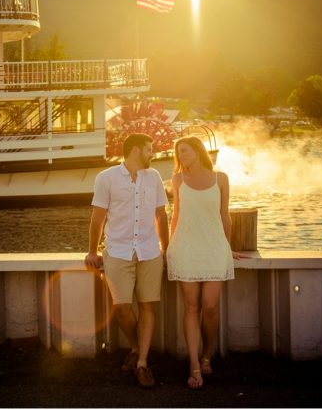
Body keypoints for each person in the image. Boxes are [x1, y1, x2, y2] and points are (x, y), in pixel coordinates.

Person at [85, 133, 169, 389]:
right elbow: (98, 218)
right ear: (135, 150)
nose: (152, 154)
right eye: (149, 149)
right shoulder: (106, 178)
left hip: (149, 251)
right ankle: (135, 347)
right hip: (118, 251)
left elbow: (161, 215)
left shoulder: (154, 177)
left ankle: (142, 362)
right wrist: (92, 251)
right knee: (122, 307)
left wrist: (166, 250)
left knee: (147, 306)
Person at [165, 135, 247, 389]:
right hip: (186, 247)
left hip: (214, 247)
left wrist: (227, 247)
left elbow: (225, 215)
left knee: (210, 306)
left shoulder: (221, 178)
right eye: (179, 153)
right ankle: (194, 365)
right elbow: (175, 215)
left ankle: (207, 354)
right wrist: (168, 248)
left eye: (185, 151)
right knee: (191, 306)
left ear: (199, 151)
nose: (181, 156)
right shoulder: (178, 180)